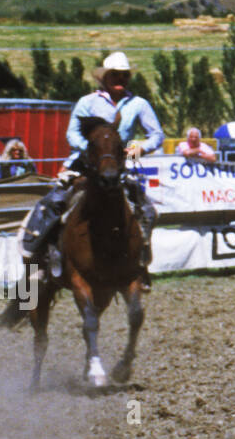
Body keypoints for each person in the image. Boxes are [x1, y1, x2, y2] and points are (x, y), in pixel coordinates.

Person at [18, 52, 164, 285]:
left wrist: (138, 150)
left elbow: (156, 135)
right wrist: (89, 149)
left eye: (124, 75)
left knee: (147, 210)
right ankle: (38, 254)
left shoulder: (138, 104)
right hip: (83, 166)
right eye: (115, 75)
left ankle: (140, 258)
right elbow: (72, 133)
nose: (120, 79)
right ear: (104, 77)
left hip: (118, 169)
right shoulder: (88, 102)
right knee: (52, 204)